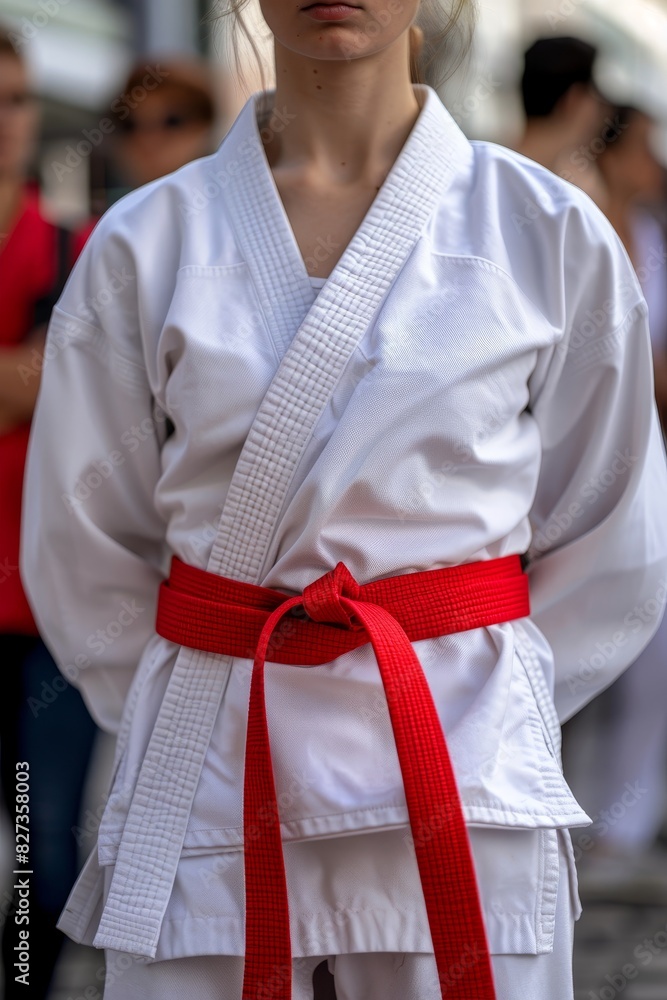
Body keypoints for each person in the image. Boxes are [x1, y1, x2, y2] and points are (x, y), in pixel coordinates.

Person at [20, 1, 667, 998]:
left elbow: (611, 527)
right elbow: (82, 539)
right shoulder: (147, 239)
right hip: (216, 757)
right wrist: (194, 690)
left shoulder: (543, 230)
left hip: (457, 764)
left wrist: (494, 690)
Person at [0, 27, 98, 1000]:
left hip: (49, 612)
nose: (5, 123)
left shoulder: (80, 248)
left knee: (46, 849)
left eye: (16, 99)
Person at [566, 107, 667, 875]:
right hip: (590, 464)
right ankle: (580, 813)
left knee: (650, 644)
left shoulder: (653, 231)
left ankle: (627, 818)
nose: (655, 162)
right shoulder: (578, 225)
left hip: (654, 456)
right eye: (644, 148)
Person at [516, 36, 611, 205]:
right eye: (594, 97)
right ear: (573, 100)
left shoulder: (493, 168)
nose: (600, 113)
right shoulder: (569, 197)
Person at [109, 57, 220, 193]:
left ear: (204, 126)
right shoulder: (111, 213)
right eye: (129, 125)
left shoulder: (231, 208)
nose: (147, 140)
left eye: (172, 121)